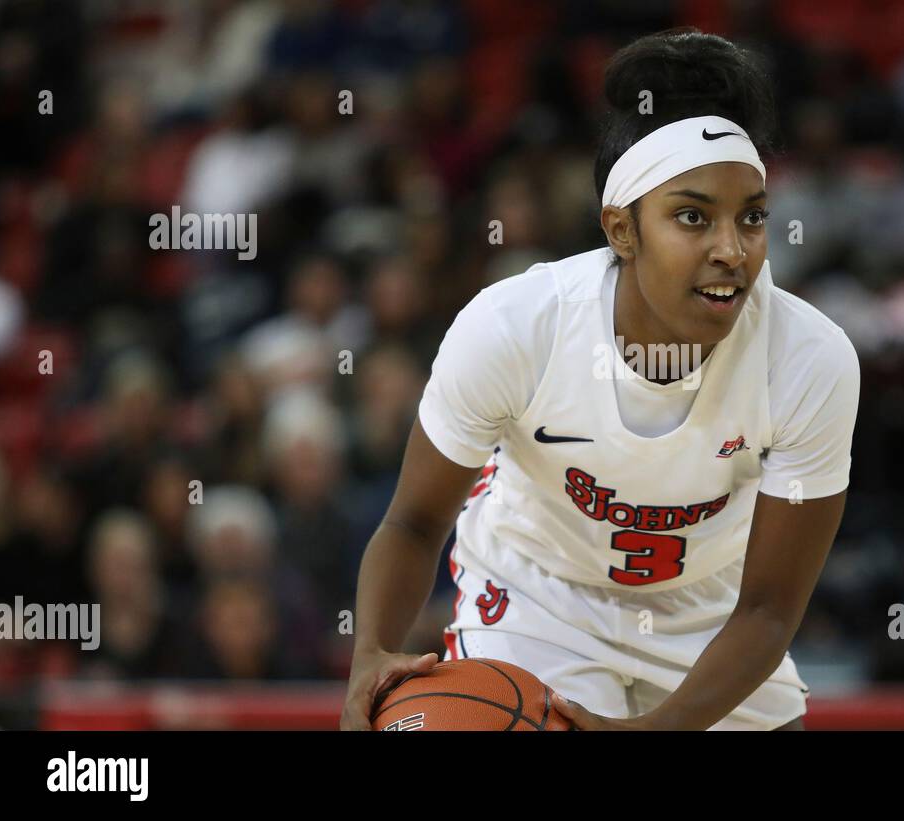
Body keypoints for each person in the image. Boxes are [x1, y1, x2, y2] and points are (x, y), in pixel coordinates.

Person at [341, 29, 859, 731]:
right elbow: (415, 518)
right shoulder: (517, 325)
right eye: (692, 217)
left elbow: (769, 608)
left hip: (709, 611)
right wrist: (370, 652)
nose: (732, 250)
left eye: (753, 218)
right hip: (538, 594)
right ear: (622, 229)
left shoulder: (811, 360)